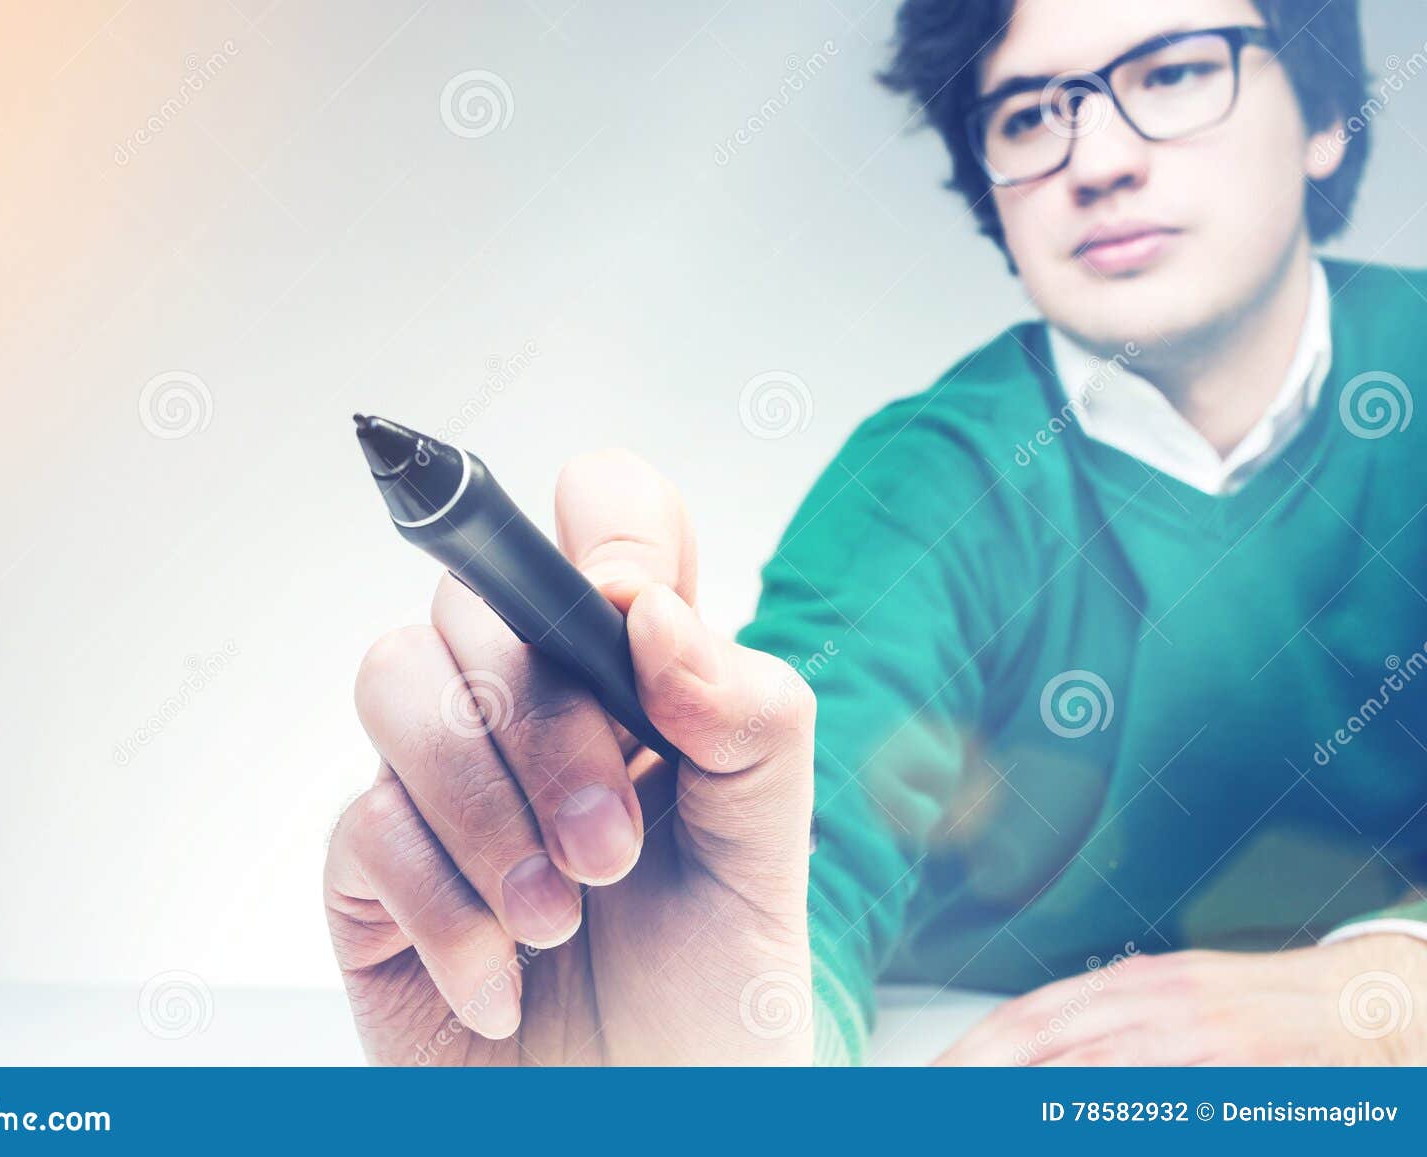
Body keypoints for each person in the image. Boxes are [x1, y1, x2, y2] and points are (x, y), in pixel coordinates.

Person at [325, 0, 1427, 1065]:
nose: (1094, 160)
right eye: (1029, 113)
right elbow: (811, 856)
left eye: (1174, 72)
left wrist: (1387, 987)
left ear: (1326, 114)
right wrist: (683, 1071)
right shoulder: (926, 486)